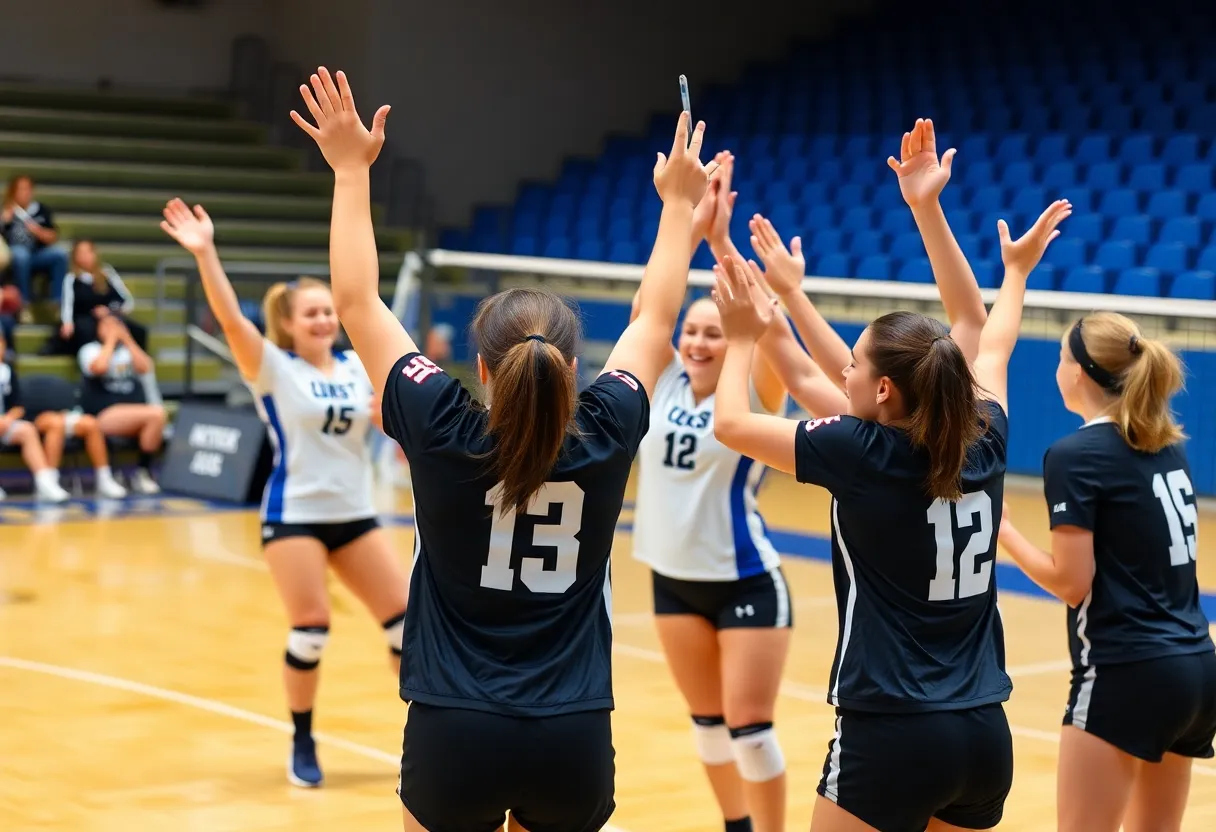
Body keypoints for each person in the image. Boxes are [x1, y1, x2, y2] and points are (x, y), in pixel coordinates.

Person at [290, 66, 717, 832]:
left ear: (480, 368)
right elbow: (656, 319)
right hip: (573, 729)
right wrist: (680, 207)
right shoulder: (607, 427)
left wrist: (351, 171)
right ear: (576, 368)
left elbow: (357, 302)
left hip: (455, 725)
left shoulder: (440, 421)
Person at [711, 187, 1072, 831]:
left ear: (882, 389)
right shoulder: (984, 432)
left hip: (892, 733)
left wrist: (742, 337)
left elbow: (734, 423)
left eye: (852, 364)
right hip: (985, 732)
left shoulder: (858, 450)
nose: (842, 371)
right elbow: (989, 337)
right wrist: (1011, 271)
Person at [159, 196, 410, 789]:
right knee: (311, 628)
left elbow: (392, 421)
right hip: (294, 514)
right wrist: (205, 253)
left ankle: (422, 738)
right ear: (290, 325)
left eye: (329, 311)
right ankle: (303, 737)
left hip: (356, 513)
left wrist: (391, 423)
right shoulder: (272, 366)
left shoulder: (355, 367)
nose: (325, 320)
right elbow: (229, 321)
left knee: (406, 625)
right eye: (313, 315)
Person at [627, 148, 840, 832]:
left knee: (750, 730)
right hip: (671, 576)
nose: (695, 341)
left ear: (732, 338)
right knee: (709, 728)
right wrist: (689, 224)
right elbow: (646, 311)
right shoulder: (657, 382)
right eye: (689, 330)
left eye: (712, 332)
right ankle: (735, 826)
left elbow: (765, 331)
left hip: (744, 577)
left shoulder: (749, 391)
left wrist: (724, 247)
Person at [998, 313, 1216, 832]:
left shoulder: (1076, 454)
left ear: (1080, 373)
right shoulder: (1169, 445)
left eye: (1061, 358)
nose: (1057, 368)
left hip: (1127, 671)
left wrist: (1003, 532)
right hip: (1196, 668)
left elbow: (1072, 583)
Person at [76, 314, 166, 496]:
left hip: (131, 413)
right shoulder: (89, 350)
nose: (112, 328)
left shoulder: (127, 351)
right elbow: (98, 368)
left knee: (156, 416)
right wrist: (110, 341)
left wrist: (127, 339)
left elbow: (145, 367)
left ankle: (142, 472)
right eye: (106, 325)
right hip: (102, 413)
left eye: (116, 325)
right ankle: (137, 473)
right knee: (156, 414)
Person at [0, 337, 72, 502]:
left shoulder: (7, 371)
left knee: (28, 430)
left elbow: (18, 406)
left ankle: (45, 481)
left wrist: (8, 419)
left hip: (5, 422)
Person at [61, 240, 147, 351]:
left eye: (88, 252)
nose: (85, 256)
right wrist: (67, 323)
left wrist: (110, 310)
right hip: (85, 319)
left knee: (138, 331)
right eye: (81, 253)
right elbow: (67, 305)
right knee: (84, 332)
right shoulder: (71, 278)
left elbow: (127, 301)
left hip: (111, 316)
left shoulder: (107, 273)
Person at [1, 175, 69, 308]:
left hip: (38, 254)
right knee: (21, 255)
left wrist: (38, 231)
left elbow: (53, 236)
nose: (24, 193)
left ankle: (57, 300)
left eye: (27, 189)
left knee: (60, 254)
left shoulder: (41, 210)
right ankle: (24, 300)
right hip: (14, 255)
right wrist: (4, 221)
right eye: (20, 189)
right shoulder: (6, 211)